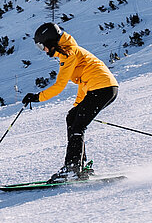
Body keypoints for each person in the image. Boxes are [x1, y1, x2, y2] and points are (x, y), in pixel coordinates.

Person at [20, 22, 118, 182]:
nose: (43, 51)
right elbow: (82, 82)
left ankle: (72, 169)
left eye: (42, 46)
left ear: (50, 42)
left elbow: (60, 85)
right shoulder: (69, 52)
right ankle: (80, 166)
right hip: (103, 88)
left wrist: (37, 97)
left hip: (103, 88)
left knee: (78, 125)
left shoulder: (68, 53)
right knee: (72, 118)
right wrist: (77, 108)